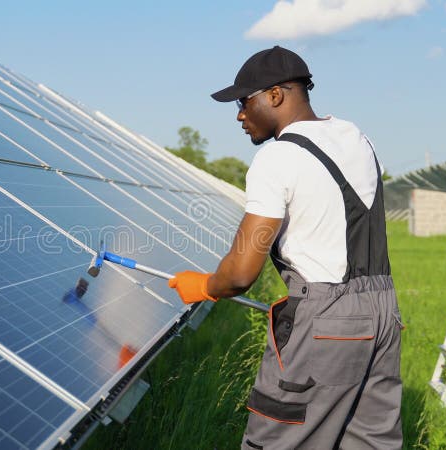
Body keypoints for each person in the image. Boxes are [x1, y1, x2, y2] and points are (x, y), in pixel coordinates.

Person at [168, 46, 403, 449]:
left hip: (326, 323)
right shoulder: (358, 139)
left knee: (277, 439)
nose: (240, 115)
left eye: (244, 102)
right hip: (384, 314)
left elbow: (242, 272)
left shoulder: (276, 159)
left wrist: (207, 285)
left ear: (275, 95)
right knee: (368, 442)